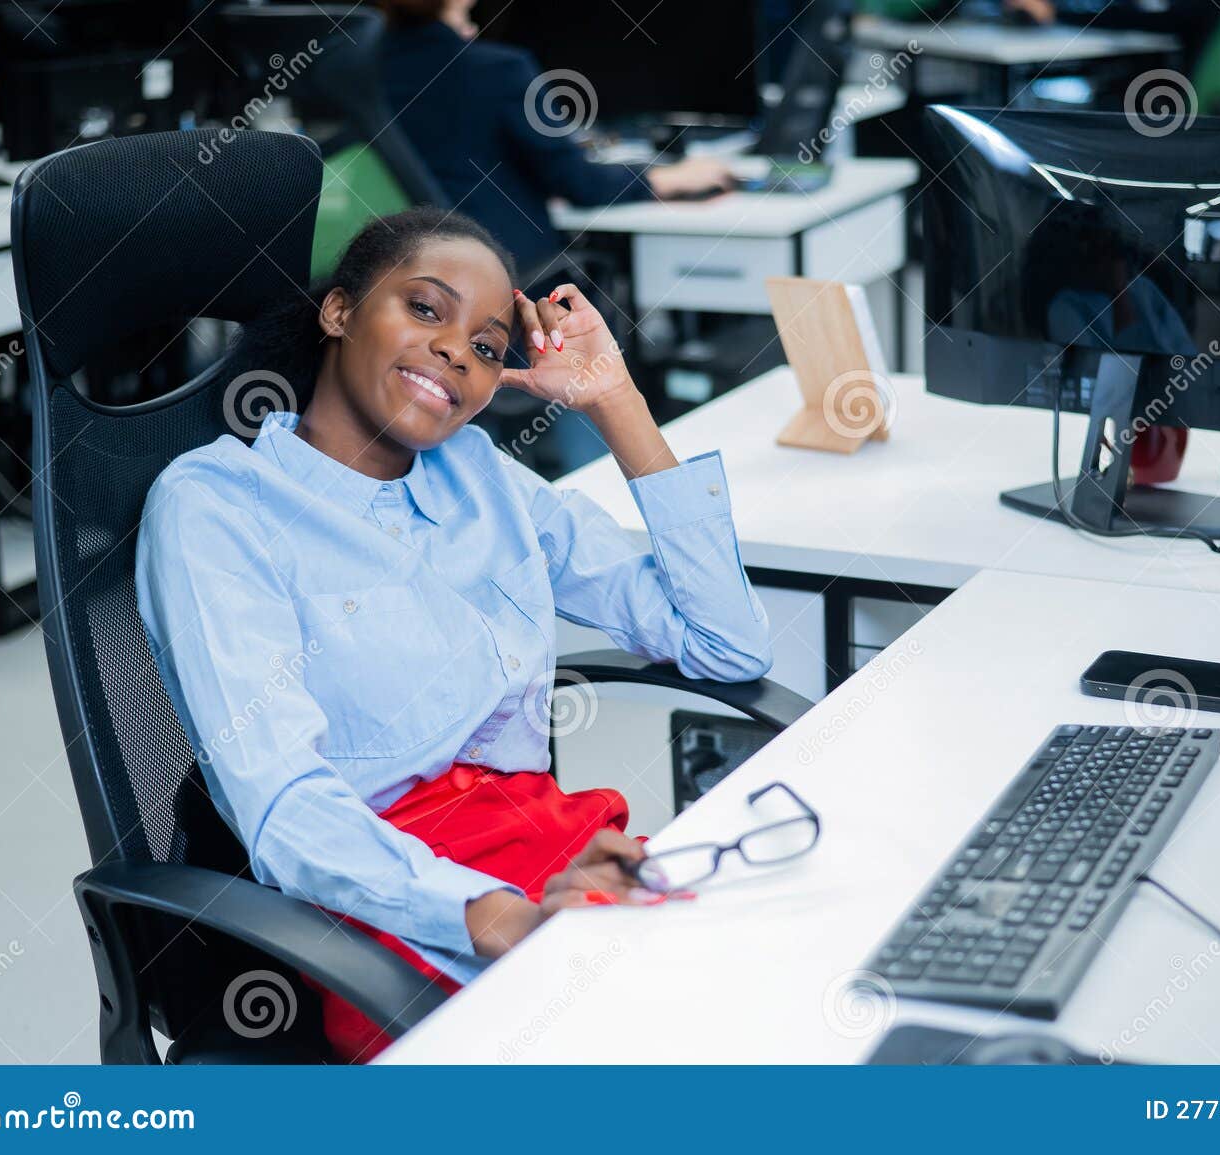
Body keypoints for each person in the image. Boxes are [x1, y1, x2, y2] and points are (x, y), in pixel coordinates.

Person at [135, 207, 772, 1061]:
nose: (454, 352)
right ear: (338, 311)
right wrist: (503, 914)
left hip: (541, 846)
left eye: (486, 345)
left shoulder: (481, 476)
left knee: (769, 989)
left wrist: (613, 400)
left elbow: (728, 646)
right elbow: (284, 805)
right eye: (426, 309)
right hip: (395, 916)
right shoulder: (216, 504)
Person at [377, 0, 736, 277]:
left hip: (404, 267)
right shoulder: (497, 69)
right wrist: (669, 177)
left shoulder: (360, 71)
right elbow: (579, 183)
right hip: (505, 271)